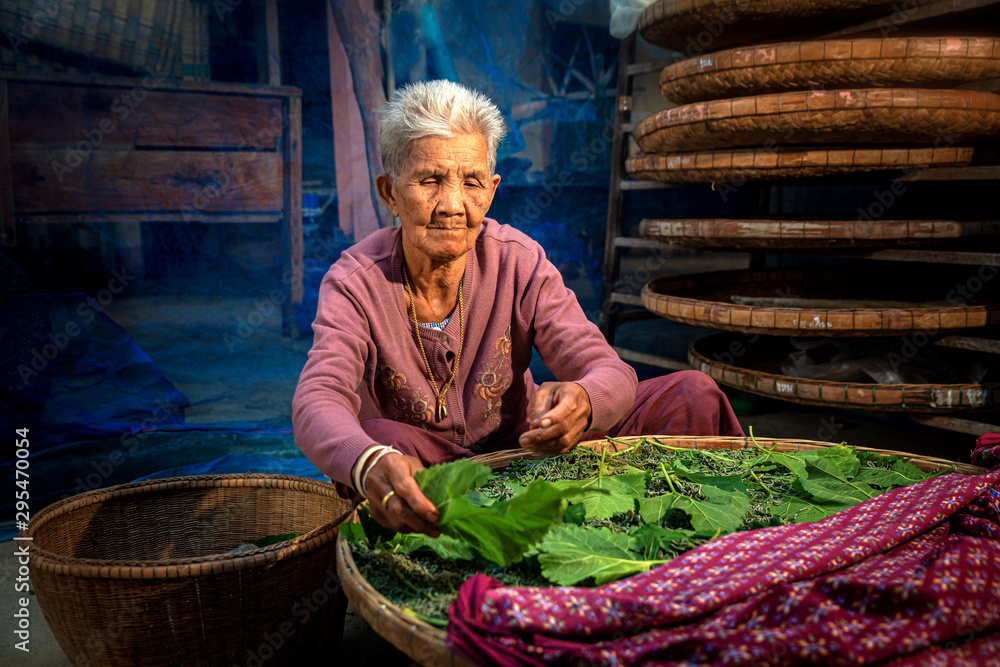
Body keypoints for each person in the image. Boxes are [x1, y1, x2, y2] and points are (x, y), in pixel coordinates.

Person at [293, 80, 743, 538]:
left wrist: (582, 404)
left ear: (489, 192)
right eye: (429, 181)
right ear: (390, 193)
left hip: (531, 455)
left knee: (692, 395)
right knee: (380, 444)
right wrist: (369, 460)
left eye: (470, 182)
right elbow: (318, 398)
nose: (451, 205)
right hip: (432, 471)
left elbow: (607, 369)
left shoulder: (517, 260)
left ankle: (701, 543)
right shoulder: (355, 282)